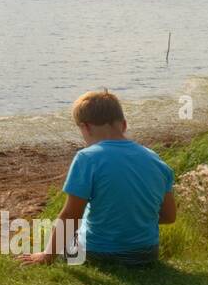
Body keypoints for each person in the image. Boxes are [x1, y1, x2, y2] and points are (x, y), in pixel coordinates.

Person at [18, 89, 175, 266]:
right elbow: (169, 216)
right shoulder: (156, 160)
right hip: (145, 254)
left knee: (54, 232)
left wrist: (47, 255)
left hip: (99, 253)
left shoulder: (87, 158)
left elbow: (71, 215)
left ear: (86, 127)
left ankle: (47, 254)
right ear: (123, 125)